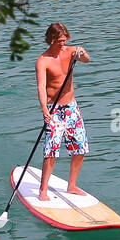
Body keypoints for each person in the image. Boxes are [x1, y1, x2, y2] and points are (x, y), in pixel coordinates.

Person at [35, 22, 91, 199]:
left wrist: (81, 54)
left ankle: (72, 186)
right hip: (54, 110)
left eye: (65, 40)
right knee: (51, 151)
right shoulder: (43, 61)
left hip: (72, 108)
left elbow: (86, 59)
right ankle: (43, 190)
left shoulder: (70, 51)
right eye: (59, 40)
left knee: (80, 148)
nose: (63, 44)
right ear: (51, 39)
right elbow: (41, 87)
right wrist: (45, 109)